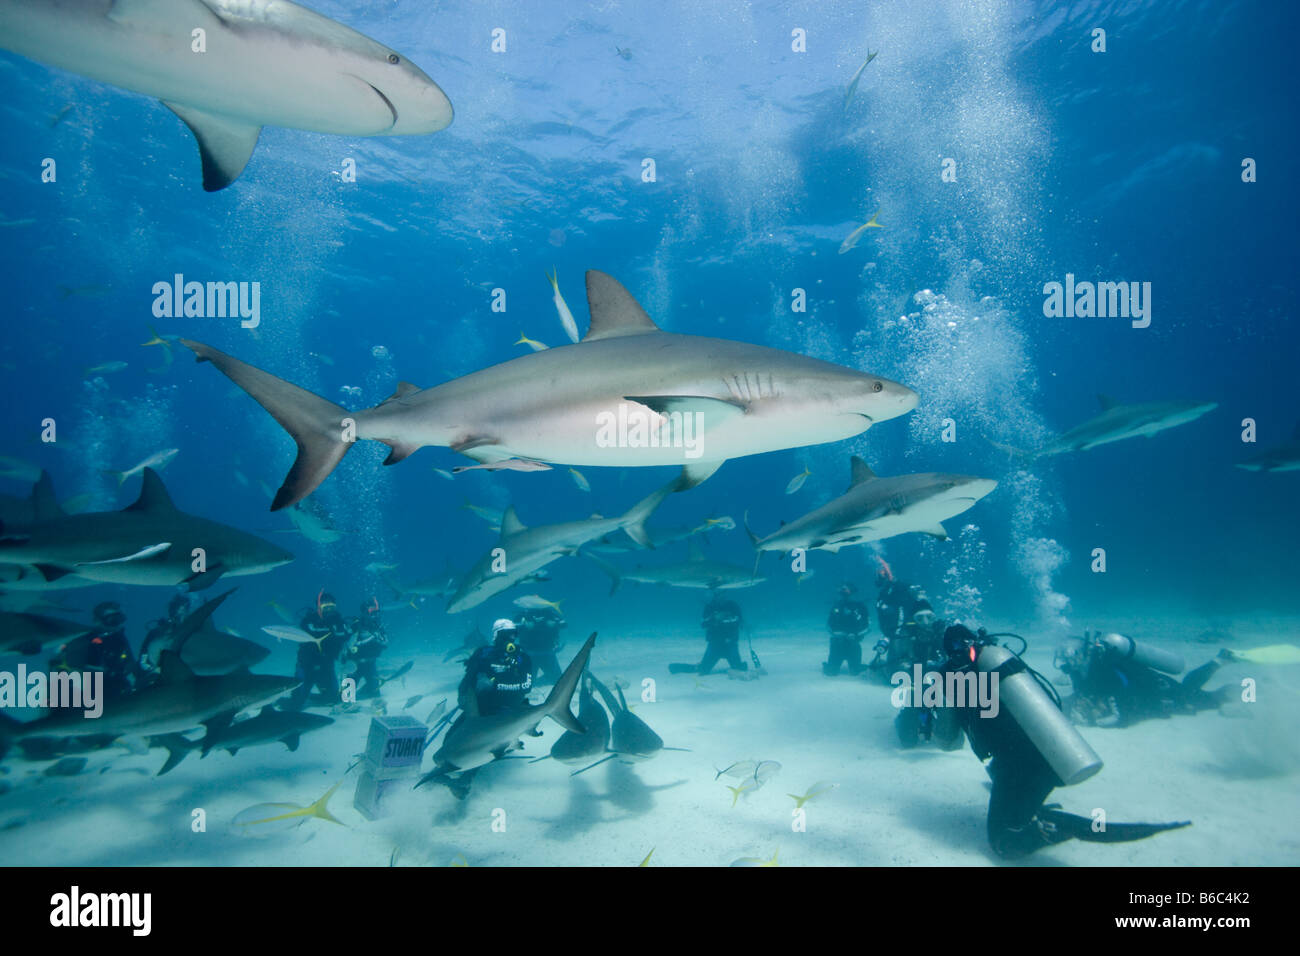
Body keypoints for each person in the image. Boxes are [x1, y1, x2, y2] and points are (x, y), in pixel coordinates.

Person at [939, 623, 1190, 859]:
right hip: (1049, 756)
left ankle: (1056, 828)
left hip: (1017, 764)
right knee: (1005, 783)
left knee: (1003, 844)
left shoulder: (956, 678)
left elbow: (949, 739)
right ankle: (1033, 812)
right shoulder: (1001, 663)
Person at [1055, 632, 1239, 728]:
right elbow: (1084, 693)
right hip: (1153, 692)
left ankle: (1230, 680)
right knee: (1188, 689)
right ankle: (1219, 662)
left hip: (1160, 691)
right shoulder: (1080, 670)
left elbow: (1124, 692)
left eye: (1069, 657)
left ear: (1081, 653)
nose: (1066, 663)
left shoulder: (1104, 665)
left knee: (1200, 698)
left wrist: (1113, 718)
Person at [49, 601, 141, 699]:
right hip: (84, 691)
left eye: (119, 619)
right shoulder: (83, 641)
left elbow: (131, 662)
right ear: (97, 621)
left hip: (114, 685)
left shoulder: (120, 638)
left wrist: (140, 677)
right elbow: (72, 667)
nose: (116, 625)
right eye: (112, 620)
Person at [283, 591, 353, 710]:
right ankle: (300, 697)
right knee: (296, 703)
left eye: (331, 607)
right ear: (318, 607)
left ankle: (311, 697)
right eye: (325, 607)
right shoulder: (309, 620)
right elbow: (309, 633)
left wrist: (353, 628)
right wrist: (330, 630)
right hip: (306, 665)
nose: (329, 610)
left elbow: (346, 637)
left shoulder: (340, 622)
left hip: (327, 666)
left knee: (333, 699)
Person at [459, 619, 535, 717]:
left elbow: (527, 687)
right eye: (504, 635)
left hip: (513, 706)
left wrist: (494, 685)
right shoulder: (482, 654)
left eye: (513, 634)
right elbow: (466, 681)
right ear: (495, 635)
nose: (509, 638)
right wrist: (463, 696)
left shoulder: (522, 657)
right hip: (483, 706)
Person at [669, 594, 746, 675]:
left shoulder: (733, 605)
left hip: (730, 643)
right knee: (703, 669)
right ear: (715, 596)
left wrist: (726, 618)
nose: (720, 597)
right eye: (718, 594)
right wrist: (715, 618)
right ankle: (677, 667)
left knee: (738, 668)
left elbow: (740, 622)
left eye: (722, 593)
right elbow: (703, 624)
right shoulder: (709, 607)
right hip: (715, 644)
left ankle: (739, 664)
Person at [138, 593, 193, 678]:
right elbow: (143, 660)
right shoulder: (155, 633)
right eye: (175, 614)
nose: (178, 618)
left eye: (181, 614)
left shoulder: (193, 633)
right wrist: (154, 670)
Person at [345, 598, 388, 700]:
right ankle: (356, 691)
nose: (374, 613)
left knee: (375, 695)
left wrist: (377, 639)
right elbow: (347, 644)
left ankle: (366, 689)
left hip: (370, 664)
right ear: (364, 611)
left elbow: (385, 644)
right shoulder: (355, 625)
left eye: (376, 610)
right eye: (371, 610)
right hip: (354, 665)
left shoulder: (379, 626)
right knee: (346, 698)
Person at [824, 583, 870, 676]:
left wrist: (856, 635)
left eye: (846, 589)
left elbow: (867, 626)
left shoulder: (860, 606)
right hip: (838, 643)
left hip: (853, 643)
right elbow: (829, 624)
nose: (843, 592)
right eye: (842, 590)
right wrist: (838, 634)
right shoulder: (837, 605)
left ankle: (856, 665)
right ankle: (831, 665)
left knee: (855, 672)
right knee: (831, 672)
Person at [515, 605, 566, 685]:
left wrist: (554, 623)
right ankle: (536, 680)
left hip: (547, 652)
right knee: (525, 681)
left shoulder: (549, 613)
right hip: (528, 653)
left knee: (558, 680)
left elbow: (564, 624)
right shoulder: (524, 615)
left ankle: (541, 680)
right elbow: (513, 628)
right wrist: (523, 624)